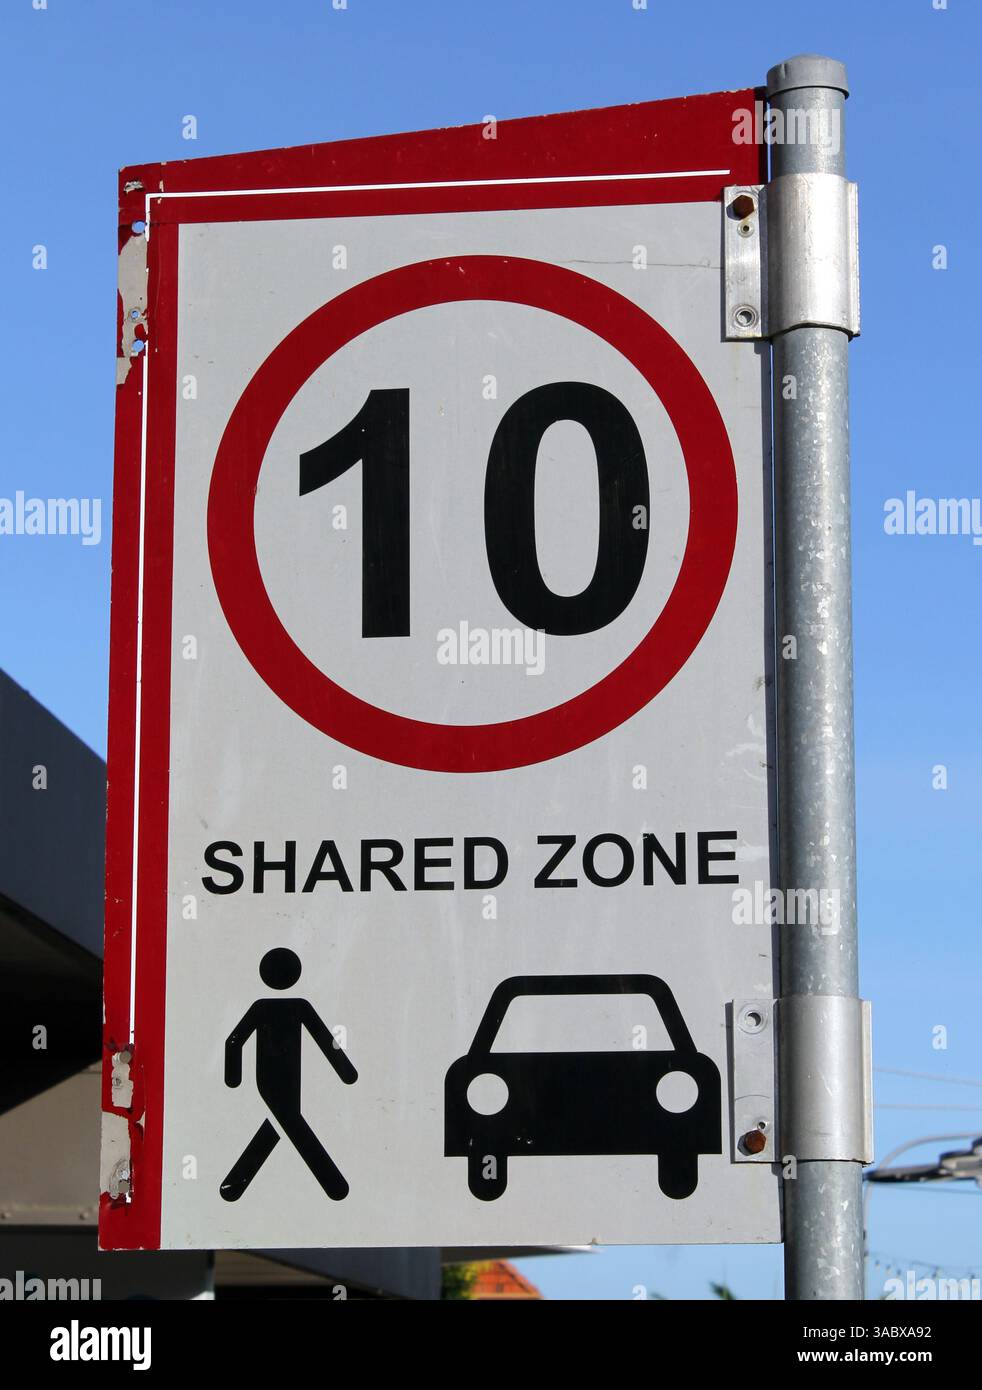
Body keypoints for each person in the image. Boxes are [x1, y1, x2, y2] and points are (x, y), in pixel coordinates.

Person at [220, 948, 357, 1201]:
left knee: (279, 1125)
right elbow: (328, 1042)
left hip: (278, 1079)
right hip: (279, 1080)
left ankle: (233, 1186)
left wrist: (234, 1077)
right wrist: (345, 1072)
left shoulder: (274, 1007)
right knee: (292, 1124)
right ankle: (335, 1185)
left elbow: (233, 1042)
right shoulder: (290, 1006)